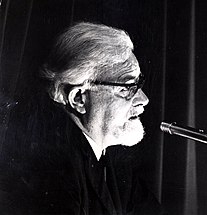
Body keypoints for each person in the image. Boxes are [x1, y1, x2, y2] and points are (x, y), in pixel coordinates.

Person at [0, 22, 164, 214]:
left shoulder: (111, 158)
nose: (143, 100)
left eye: (139, 84)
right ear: (78, 98)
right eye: (127, 88)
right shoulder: (51, 170)